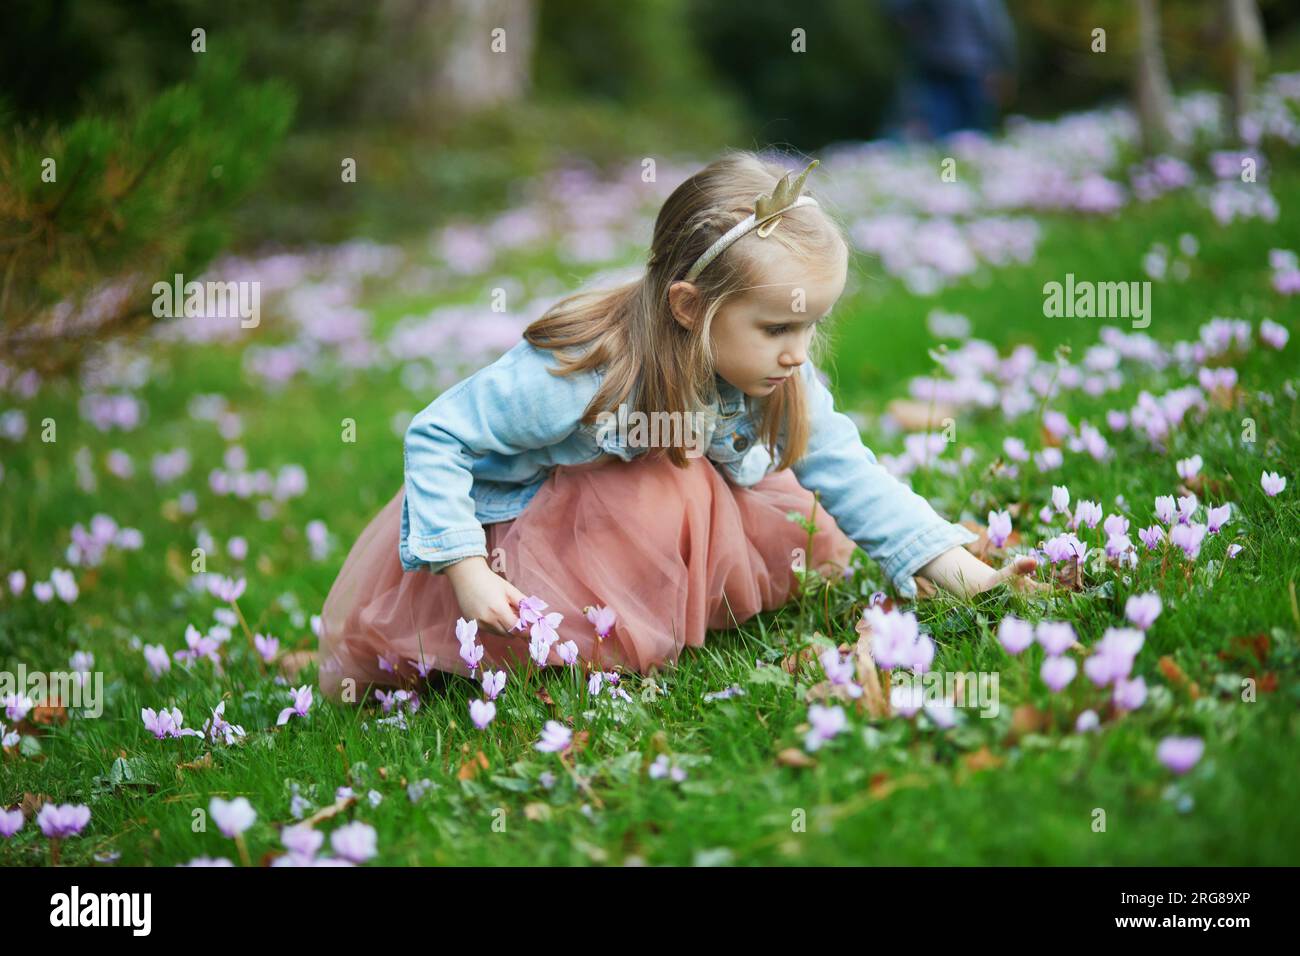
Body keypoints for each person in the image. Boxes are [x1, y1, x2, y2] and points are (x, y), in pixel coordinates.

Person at [317, 150, 1038, 704]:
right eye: (779, 326)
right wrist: (466, 569)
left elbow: (846, 468)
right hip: (530, 528)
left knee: (737, 493)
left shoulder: (776, 371)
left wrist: (962, 571)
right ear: (690, 308)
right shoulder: (580, 367)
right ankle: (574, 634)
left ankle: (668, 597)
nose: (799, 350)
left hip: (651, 499)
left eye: (812, 324)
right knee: (660, 491)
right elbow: (439, 435)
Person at [885, 0, 1017, 140]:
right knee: (976, 133)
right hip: (973, 65)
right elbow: (995, 28)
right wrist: (1004, 65)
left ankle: (947, 158)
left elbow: (898, 9)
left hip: (935, 60)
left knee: (942, 129)